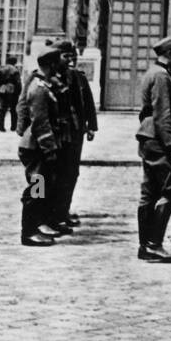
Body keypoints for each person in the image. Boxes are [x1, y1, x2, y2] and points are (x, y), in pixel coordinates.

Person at [136, 36, 171, 263]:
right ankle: (153, 245)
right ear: (169, 53)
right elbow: (163, 113)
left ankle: (145, 245)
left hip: (149, 137)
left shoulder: (154, 72)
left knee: (149, 193)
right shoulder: (161, 76)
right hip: (159, 139)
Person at [17, 44, 68, 247]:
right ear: (51, 64)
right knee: (36, 189)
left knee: (41, 187)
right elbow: (40, 122)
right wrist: (49, 149)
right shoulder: (38, 89)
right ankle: (28, 232)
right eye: (56, 62)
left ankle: (35, 226)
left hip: (39, 146)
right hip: (36, 147)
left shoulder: (44, 85)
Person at [53, 40, 97, 230]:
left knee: (71, 173)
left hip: (74, 133)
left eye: (73, 56)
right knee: (48, 177)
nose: (71, 60)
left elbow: (87, 101)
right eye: (66, 56)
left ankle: (62, 211)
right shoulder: (48, 78)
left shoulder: (77, 77)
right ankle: (43, 217)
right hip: (54, 135)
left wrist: (91, 126)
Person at [0, 54, 22, 132]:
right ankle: (13, 126)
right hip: (12, 90)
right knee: (13, 109)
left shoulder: (1, 69)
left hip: (3, 88)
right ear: (15, 62)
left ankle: (1, 127)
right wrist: (19, 91)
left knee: (2, 108)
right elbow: (18, 82)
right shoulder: (15, 70)